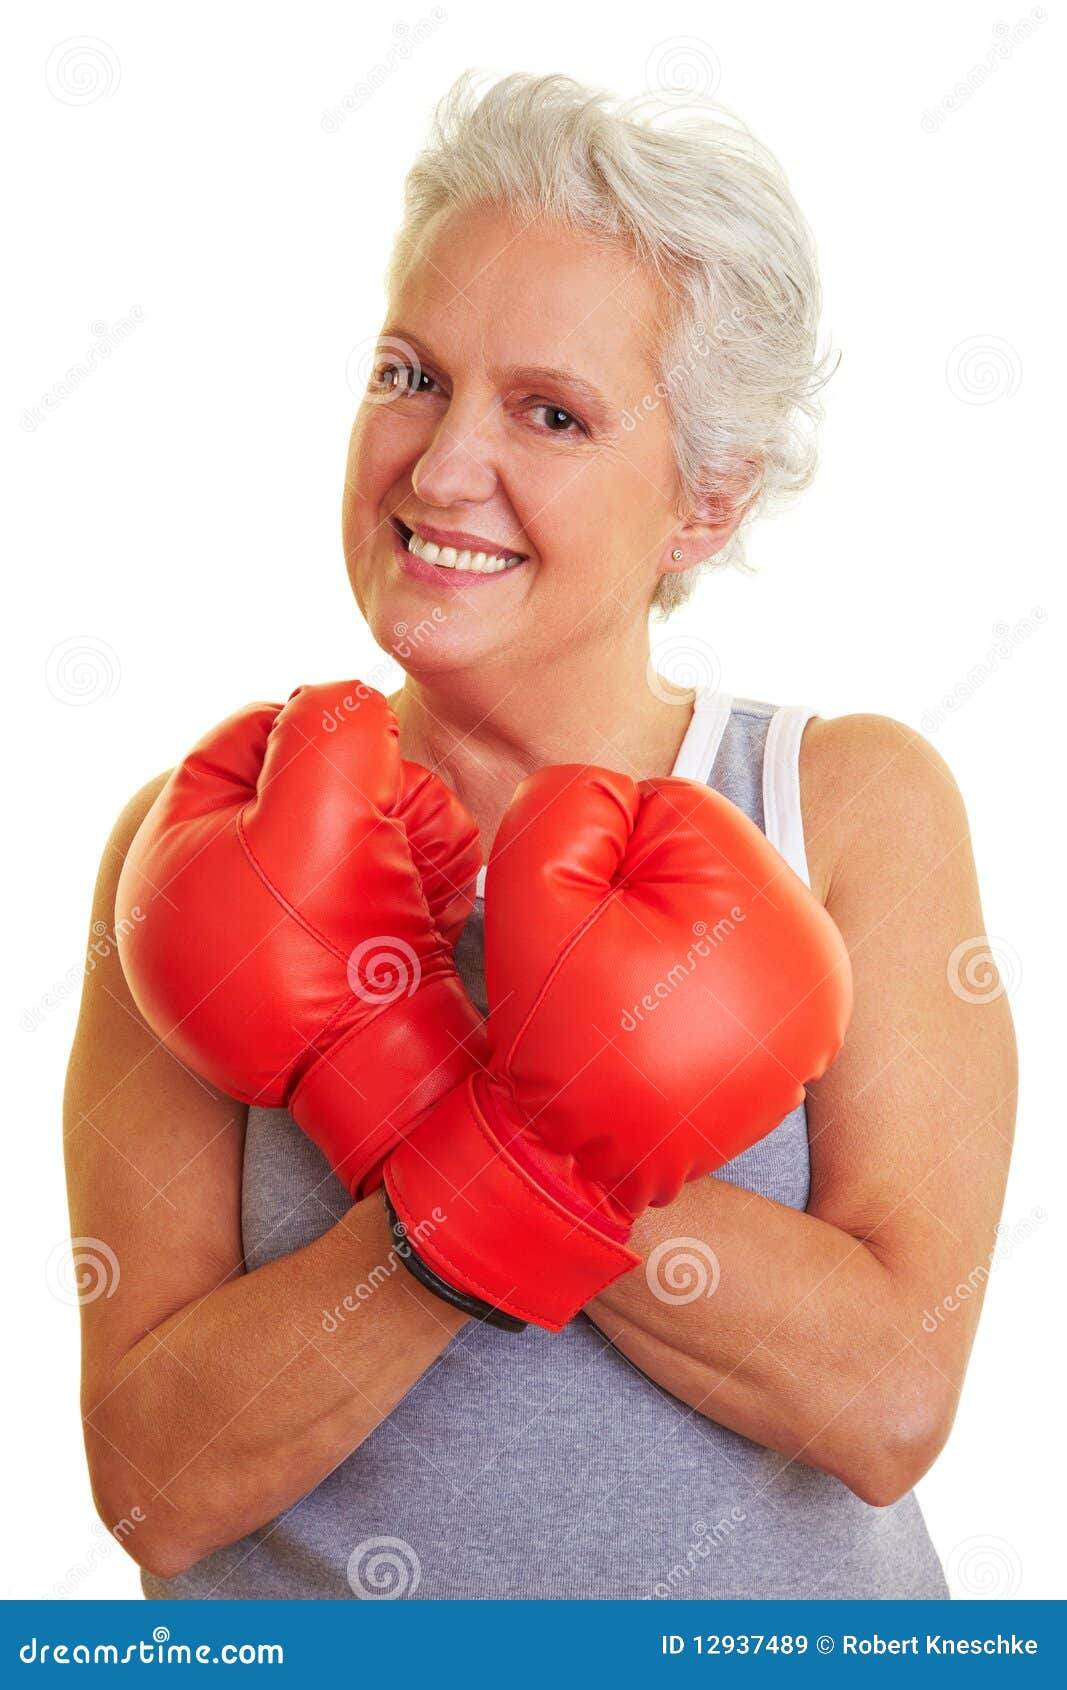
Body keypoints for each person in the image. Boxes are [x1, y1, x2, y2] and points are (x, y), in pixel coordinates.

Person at [64, 70, 1017, 1600]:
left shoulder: (844, 807)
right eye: (409, 373)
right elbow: (154, 1487)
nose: (440, 468)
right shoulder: (197, 839)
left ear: (705, 502)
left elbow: (890, 1400)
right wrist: (500, 1144)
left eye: (551, 412)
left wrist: (406, 1084)